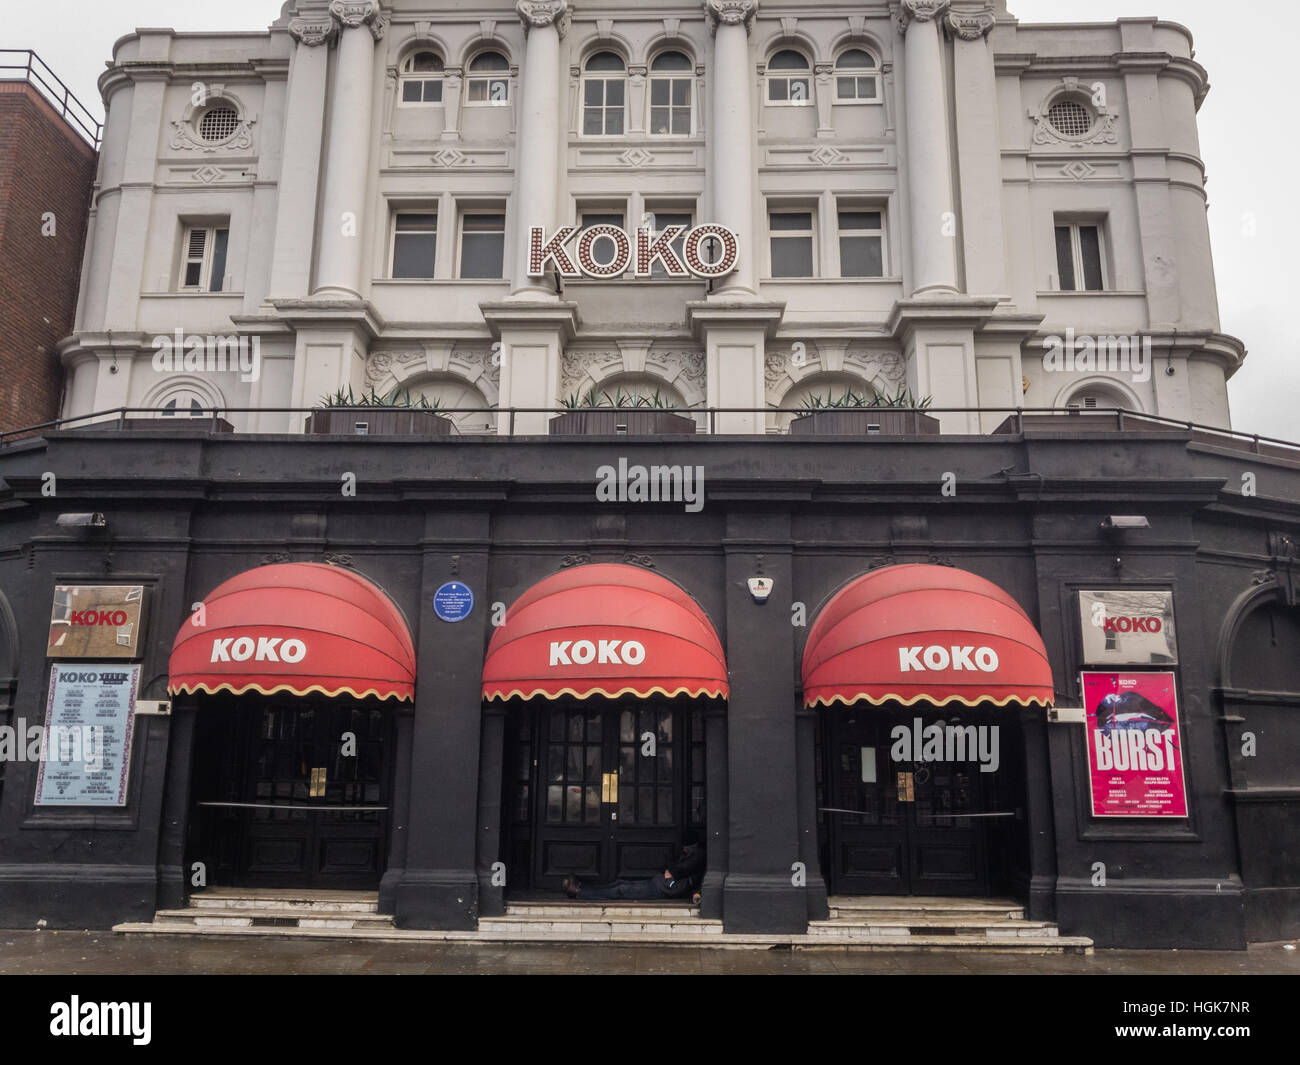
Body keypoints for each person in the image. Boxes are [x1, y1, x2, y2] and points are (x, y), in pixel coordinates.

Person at [563, 833, 705, 901]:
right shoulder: (690, 856)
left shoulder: (696, 859)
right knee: (620, 883)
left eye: (685, 848)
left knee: (621, 889)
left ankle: (579, 892)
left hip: (662, 888)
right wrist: (670, 871)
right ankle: (582, 886)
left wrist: (672, 873)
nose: (683, 850)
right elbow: (673, 868)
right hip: (660, 882)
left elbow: (679, 872)